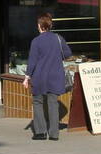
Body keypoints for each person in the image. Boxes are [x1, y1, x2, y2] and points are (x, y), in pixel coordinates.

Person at [23, 12, 72, 141]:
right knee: (53, 104)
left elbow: (32, 61)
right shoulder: (58, 38)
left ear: (40, 25)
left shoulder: (36, 41)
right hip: (56, 76)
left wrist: (27, 77)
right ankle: (54, 134)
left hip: (40, 76)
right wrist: (56, 57)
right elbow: (67, 53)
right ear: (50, 25)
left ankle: (40, 132)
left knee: (38, 102)